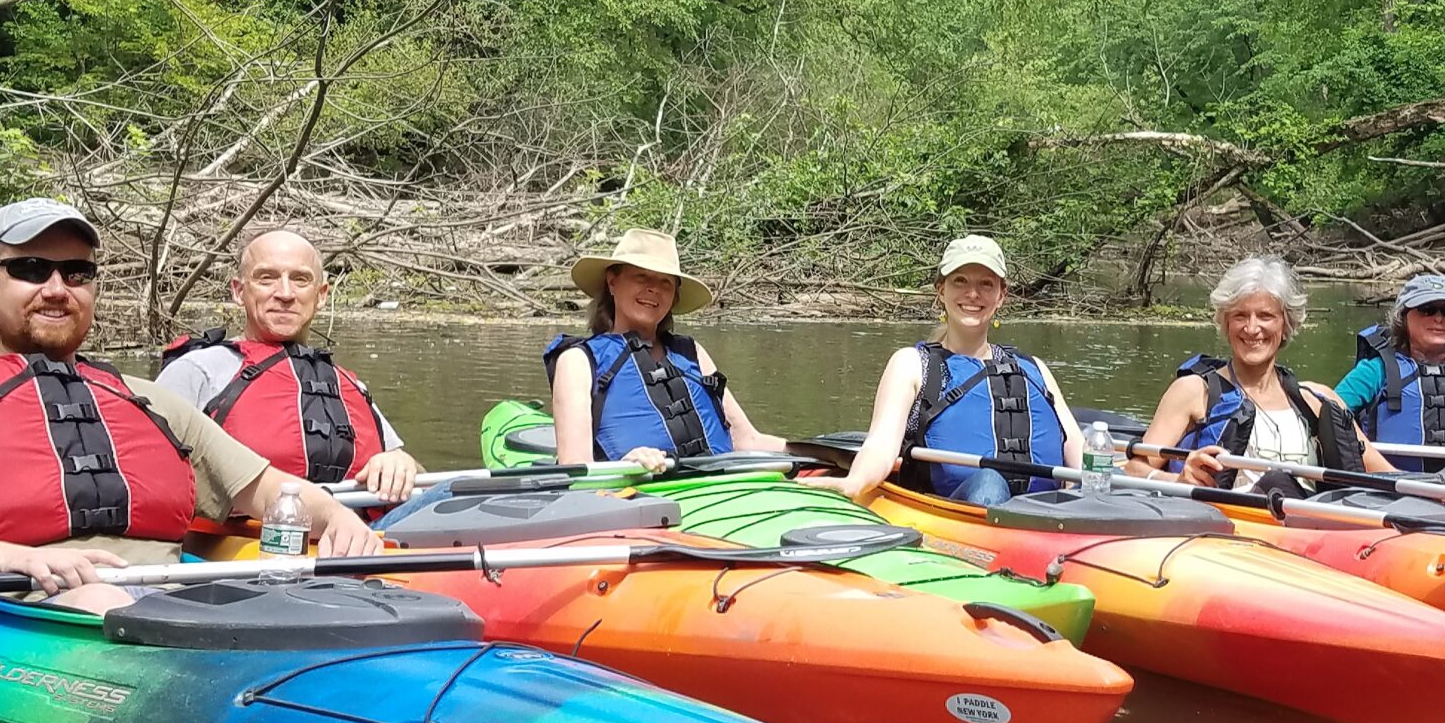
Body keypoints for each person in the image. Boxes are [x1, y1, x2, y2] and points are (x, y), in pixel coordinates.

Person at [0, 199, 383, 614]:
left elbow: (269, 490)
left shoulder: (149, 400)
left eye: (77, 273)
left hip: (168, 603)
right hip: (26, 608)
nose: (57, 288)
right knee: (101, 603)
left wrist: (336, 515)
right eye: (32, 269)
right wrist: (19, 558)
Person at [811, 235, 1083, 506]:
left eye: (986, 284)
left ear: (1002, 296)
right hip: (956, 512)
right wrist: (856, 481)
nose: (973, 294)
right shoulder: (912, 364)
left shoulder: (1034, 368)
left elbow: (1079, 452)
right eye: (960, 281)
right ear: (941, 290)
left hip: (1047, 514)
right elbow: (881, 444)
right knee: (989, 482)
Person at [158, 229, 421, 502]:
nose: (285, 293)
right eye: (267, 278)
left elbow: (414, 473)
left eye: (300, 279)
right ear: (238, 291)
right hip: (243, 536)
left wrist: (401, 464)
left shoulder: (349, 385)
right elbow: (148, 472)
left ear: (320, 295)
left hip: (359, 534)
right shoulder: (197, 371)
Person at [1125, 256, 1398, 491]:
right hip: (1227, 533)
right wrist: (1178, 480)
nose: (1252, 328)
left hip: (1306, 535)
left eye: (1265, 316)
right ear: (1226, 322)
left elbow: (1386, 474)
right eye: (1241, 316)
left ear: (1285, 324)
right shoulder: (1195, 392)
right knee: (1275, 484)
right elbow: (1133, 469)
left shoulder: (1317, 399)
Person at [546, 228, 785, 471]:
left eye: (665, 282)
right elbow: (574, 469)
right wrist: (625, 464)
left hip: (722, 487)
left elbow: (747, 441)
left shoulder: (691, 353)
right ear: (612, 282)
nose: (654, 289)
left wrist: (818, 451)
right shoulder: (578, 361)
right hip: (638, 498)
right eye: (641, 277)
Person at [1334, 272, 1445, 469]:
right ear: (1403, 317)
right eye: (1427, 309)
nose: (1439, 319)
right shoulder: (1375, 371)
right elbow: (1329, 414)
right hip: (1392, 490)